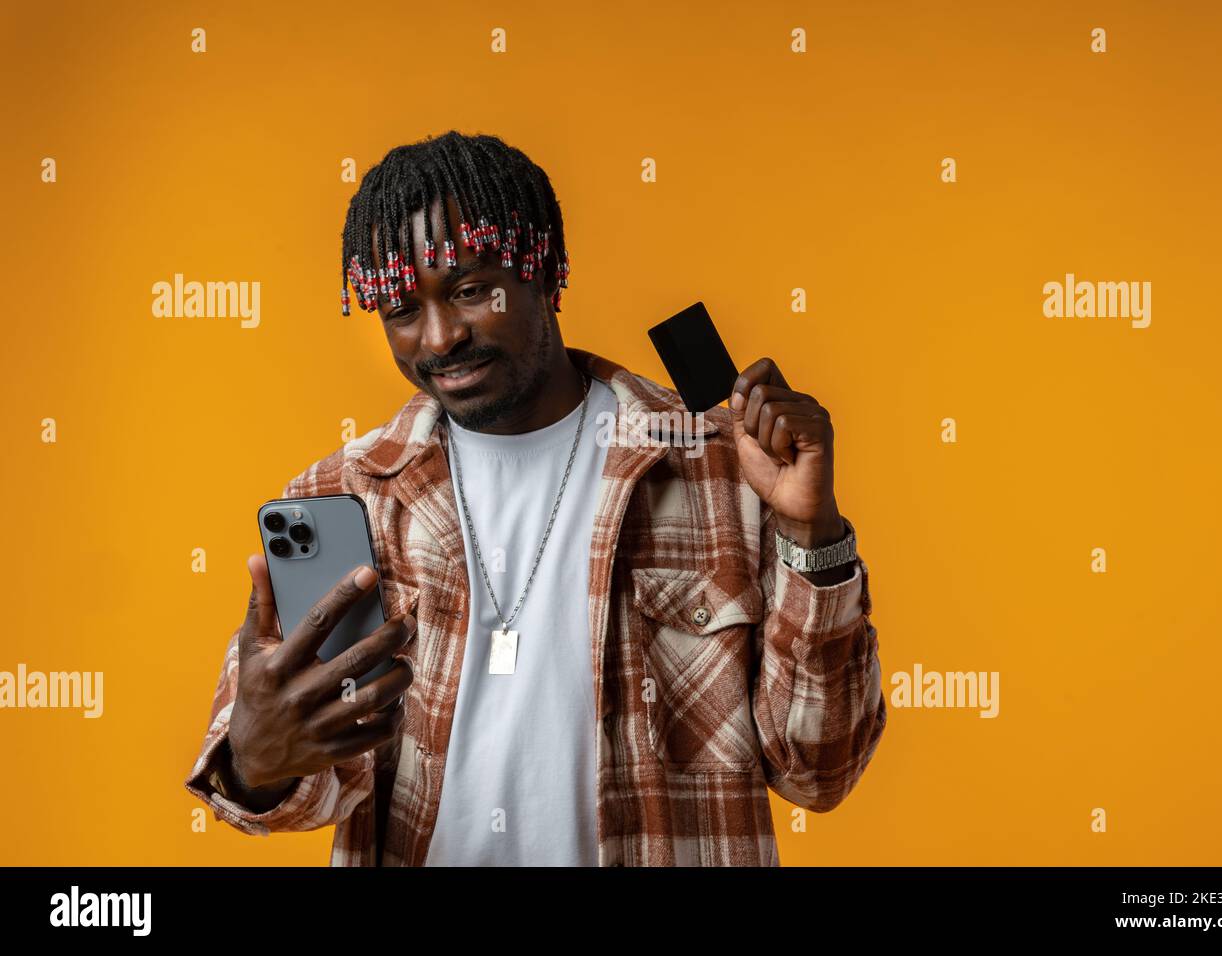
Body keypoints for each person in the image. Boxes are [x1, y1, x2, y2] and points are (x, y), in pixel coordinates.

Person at [184, 129, 887, 866]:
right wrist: (255, 764)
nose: (440, 337)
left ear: (544, 271)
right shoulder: (345, 498)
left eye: (468, 290)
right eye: (400, 308)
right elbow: (300, 791)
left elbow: (820, 771)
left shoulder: (716, 466)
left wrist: (813, 530)